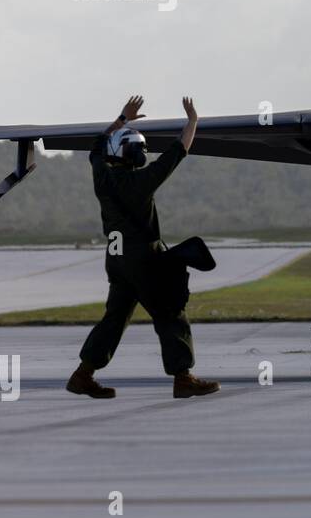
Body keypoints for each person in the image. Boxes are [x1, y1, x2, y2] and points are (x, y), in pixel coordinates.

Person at [65, 95, 220, 399]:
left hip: (115, 258)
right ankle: (183, 377)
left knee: (115, 317)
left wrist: (122, 118)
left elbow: (96, 146)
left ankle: (83, 374)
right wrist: (193, 121)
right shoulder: (143, 181)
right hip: (143, 260)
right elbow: (179, 150)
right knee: (170, 314)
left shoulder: (102, 178)